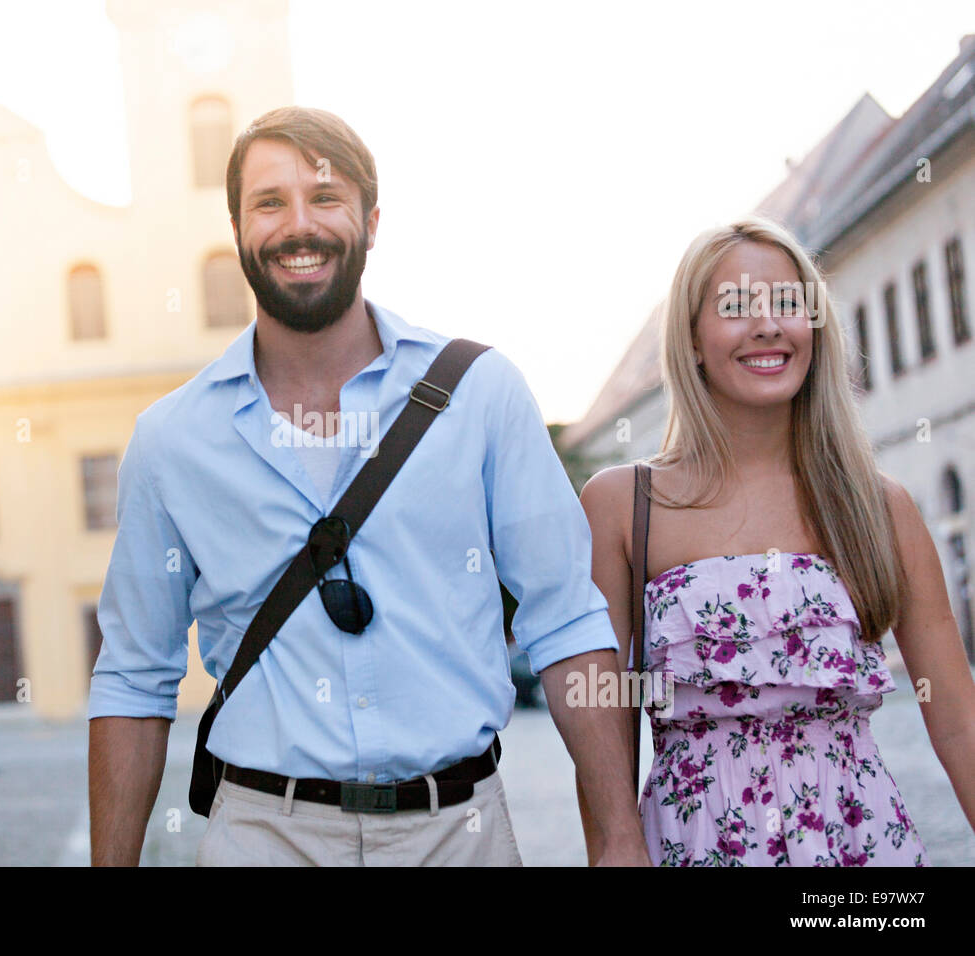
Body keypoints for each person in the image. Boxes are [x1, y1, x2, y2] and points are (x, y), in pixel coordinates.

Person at [87, 106, 650, 866]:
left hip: (459, 837)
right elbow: (133, 679)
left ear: (372, 222)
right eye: (269, 203)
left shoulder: (481, 393)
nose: (299, 225)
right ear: (237, 229)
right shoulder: (171, 440)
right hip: (264, 838)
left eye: (325, 197)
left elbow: (569, 623)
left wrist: (619, 840)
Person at [578, 216, 975, 866]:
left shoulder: (880, 506)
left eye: (789, 302)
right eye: (736, 306)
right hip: (695, 844)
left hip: (859, 848)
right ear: (691, 339)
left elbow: (957, 717)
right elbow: (602, 720)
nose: (767, 325)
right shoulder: (624, 505)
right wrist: (613, 850)